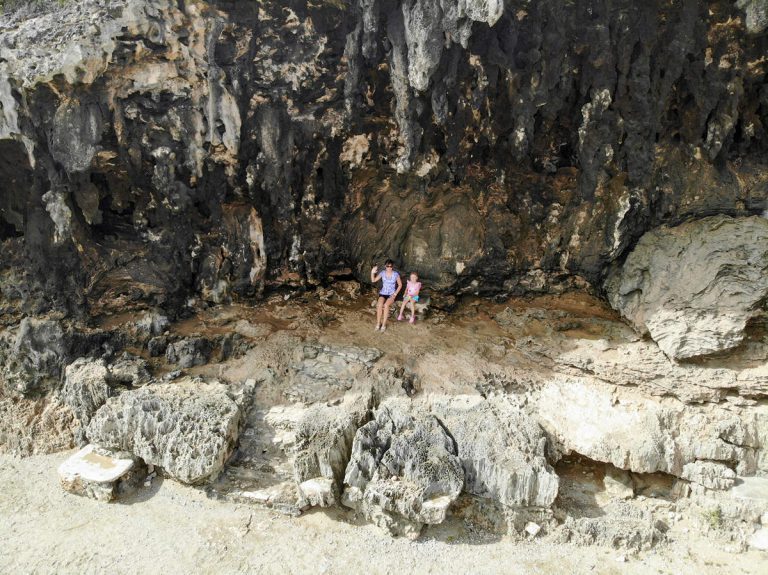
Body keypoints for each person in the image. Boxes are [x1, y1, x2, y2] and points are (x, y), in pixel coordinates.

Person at [370, 259, 402, 332]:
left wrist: (395, 294)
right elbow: (373, 280)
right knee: (379, 305)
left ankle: (384, 324)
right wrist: (372, 272)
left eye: (391, 266)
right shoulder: (382, 273)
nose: (389, 268)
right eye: (388, 266)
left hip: (391, 294)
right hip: (383, 293)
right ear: (385, 266)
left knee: (386, 305)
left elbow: (400, 285)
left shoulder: (395, 274)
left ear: (392, 266)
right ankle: (378, 323)